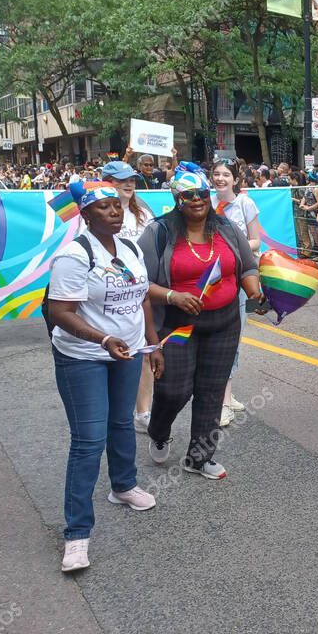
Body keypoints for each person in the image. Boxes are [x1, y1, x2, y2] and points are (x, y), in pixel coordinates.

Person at [46, 180, 163, 572]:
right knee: (88, 441)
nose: (115, 211)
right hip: (83, 356)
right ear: (85, 214)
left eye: (117, 204)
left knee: (121, 423)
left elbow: (142, 298)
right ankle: (77, 533)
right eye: (104, 207)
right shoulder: (74, 256)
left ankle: (123, 486)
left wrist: (152, 344)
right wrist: (103, 339)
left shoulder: (129, 249)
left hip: (126, 352)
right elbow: (60, 312)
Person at [138, 163, 263, 481]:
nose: (197, 200)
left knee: (211, 390)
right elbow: (138, 283)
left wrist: (254, 291)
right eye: (189, 195)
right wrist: (172, 296)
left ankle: (199, 457)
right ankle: (159, 431)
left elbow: (247, 266)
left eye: (202, 194)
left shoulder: (226, 228)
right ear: (176, 199)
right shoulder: (159, 232)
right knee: (173, 390)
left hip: (224, 322)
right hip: (179, 325)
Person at [101, 161, 156, 432]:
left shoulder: (143, 212)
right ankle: (111, 412)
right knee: (112, 352)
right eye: (121, 180)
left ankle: (143, 412)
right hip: (109, 294)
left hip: (140, 291)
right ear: (107, 183)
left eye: (132, 179)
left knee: (145, 350)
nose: (129, 184)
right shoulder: (91, 215)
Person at [211, 160, 263, 427]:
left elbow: (256, 240)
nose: (220, 178)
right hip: (211, 281)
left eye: (225, 175)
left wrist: (232, 246)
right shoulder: (207, 203)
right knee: (215, 338)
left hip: (238, 277)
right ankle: (224, 396)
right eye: (216, 174)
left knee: (233, 337)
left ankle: (224, 400)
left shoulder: (245, 204)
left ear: (234, 179)